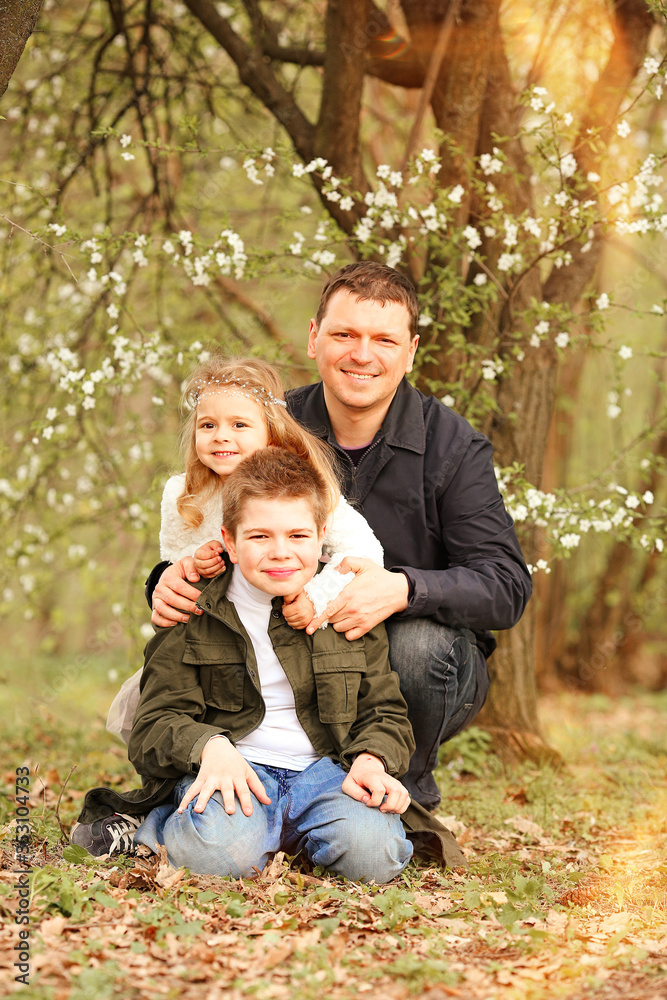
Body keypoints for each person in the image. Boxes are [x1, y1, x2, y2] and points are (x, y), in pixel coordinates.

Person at [149, 263, 533, 812]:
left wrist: (404, 589)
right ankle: (229, 785)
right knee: (188, 644)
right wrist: (164, 580)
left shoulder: (454, 447)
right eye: (345, 334)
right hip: (278, 637)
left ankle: (398, 792)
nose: (362, 354)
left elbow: (505, 585)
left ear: (411, 351)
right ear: (314, 338)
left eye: (384, 340)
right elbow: (206, 511)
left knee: (416, 648)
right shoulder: (261, 422)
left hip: (402, 656)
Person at [74, 448, 418, 883]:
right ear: (230, 542)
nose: (281, 553)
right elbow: (154, 724)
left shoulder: (345, 604)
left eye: (298, 535)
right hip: (236, 768)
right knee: (215, 858)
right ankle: (160, 823)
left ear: (321, 535)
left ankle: (285, 833)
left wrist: (371, 759)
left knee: (375, 858)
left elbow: (384, 710)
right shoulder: (192, 604)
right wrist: (210, 747)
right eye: (259, 537)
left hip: (326, 772)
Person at [106, 357, 384, 744]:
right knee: (174, 697)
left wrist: (315, 597)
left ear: (271, 432)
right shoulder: (183, 494)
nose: (221, 436)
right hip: (218, 637)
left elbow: (365, 553)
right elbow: (173, 558)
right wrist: (192, 561)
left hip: (292, 631)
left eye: (239, 425)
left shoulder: (304, 487)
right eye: (208, 425)